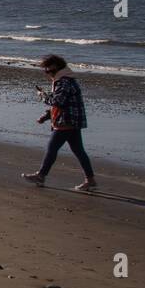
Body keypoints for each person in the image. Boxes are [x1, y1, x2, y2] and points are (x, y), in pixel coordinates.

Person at [21, 54, 97, 192]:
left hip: (66, 122)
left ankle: (41, 176)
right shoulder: (65, 80)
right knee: (79, 151)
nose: (47, 73)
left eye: (48, 70)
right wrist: (47, 116)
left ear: (55, 68)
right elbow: (63, 104)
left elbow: (58, 102)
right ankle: (90, 180)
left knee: (52, 148)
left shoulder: (64, 82)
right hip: (71, 121)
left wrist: (42, 96)